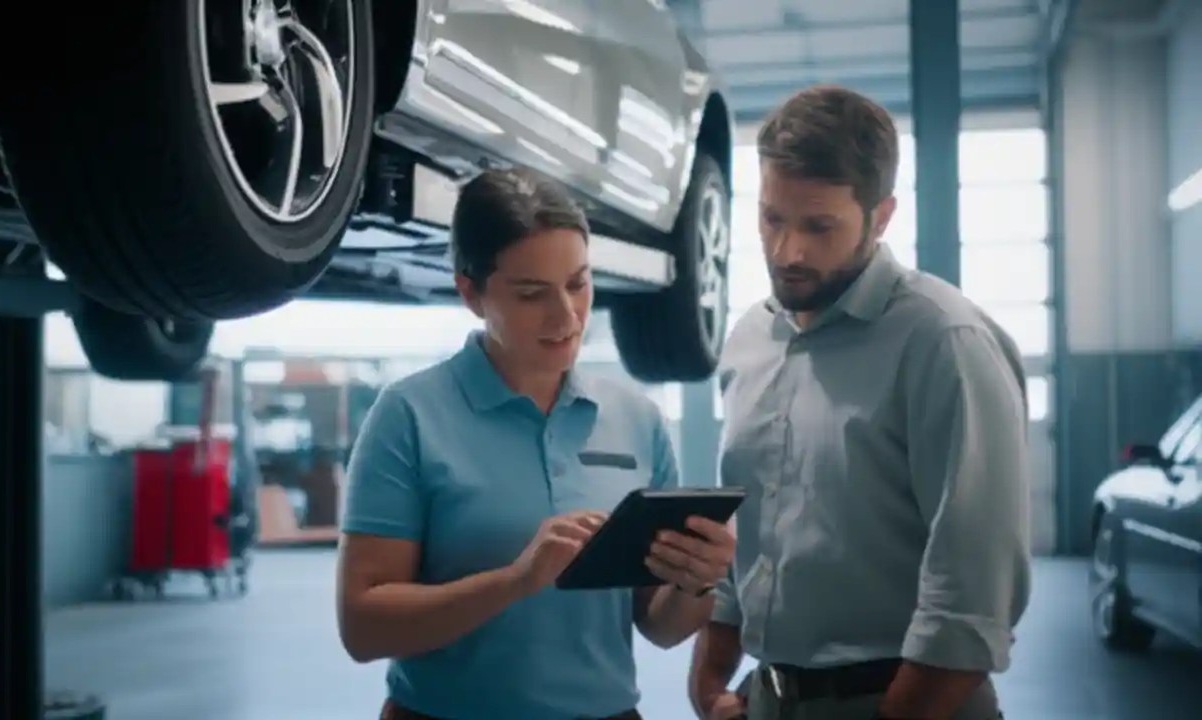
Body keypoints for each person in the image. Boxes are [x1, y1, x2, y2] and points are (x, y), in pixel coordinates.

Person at [335, 166, 737, 720]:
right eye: (532, 294)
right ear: (471, 293)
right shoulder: (409, 415)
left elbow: (658, 626)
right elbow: (362, 626)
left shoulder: (635, 420)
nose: (567, 316)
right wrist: (515, 581)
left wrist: (697, 582)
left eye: (578, 283)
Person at [687, 85, 1031, 720]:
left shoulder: (944, 341)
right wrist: (710, 682)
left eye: (819, 226)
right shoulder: (749, 340)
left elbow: (973, 590)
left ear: (881, 216)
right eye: (771, 218)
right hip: (770, 698)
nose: (788, 251)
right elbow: (747, 537)